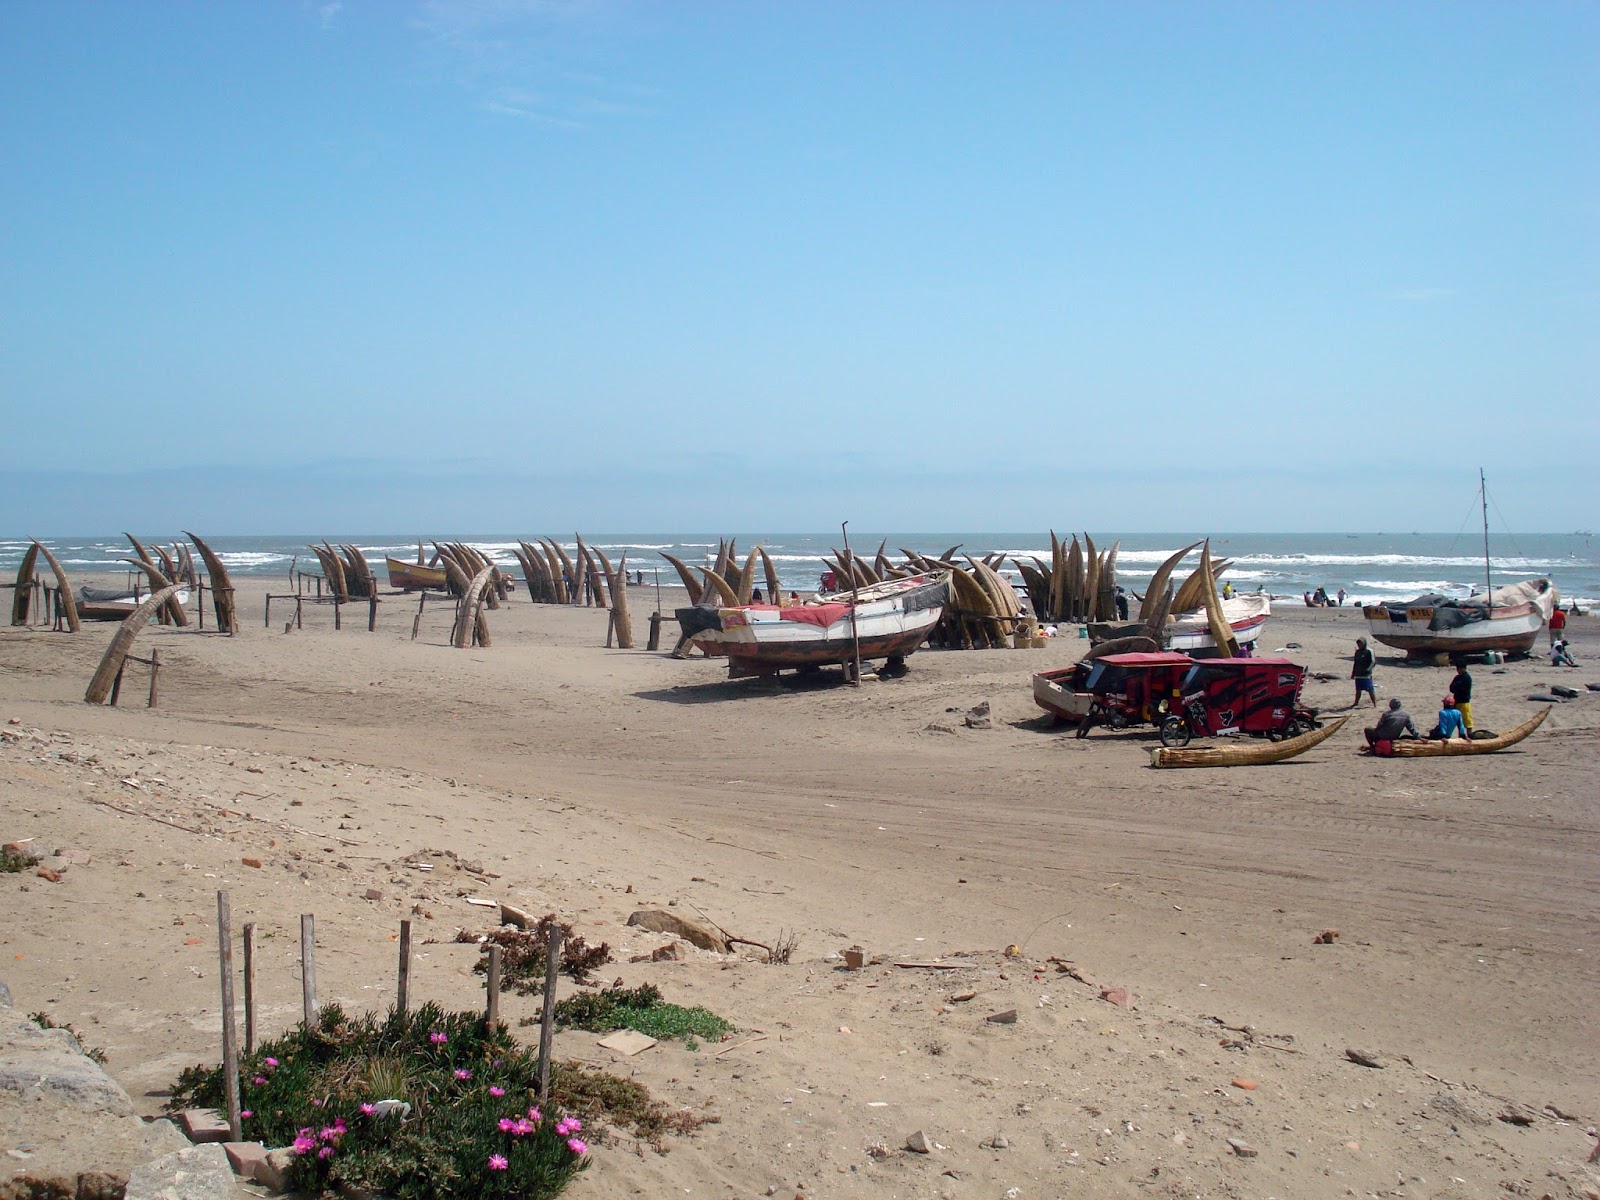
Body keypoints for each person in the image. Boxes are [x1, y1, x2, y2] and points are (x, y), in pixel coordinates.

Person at [1351, 637, 1376, 708]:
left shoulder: (1369, 651)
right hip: (1358, 674)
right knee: (1358, 690)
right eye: (1358, 644)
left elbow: (1373, 662)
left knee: (1370, 689)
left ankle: (1374, 704)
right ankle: (1356, 703)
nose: (1359, 645)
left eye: (1360, 644)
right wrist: (1353, 673)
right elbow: (1355, 663)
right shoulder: (1358, 652)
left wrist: (1368, 670)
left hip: (1366, 675)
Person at [1449, 662, 1474, 730]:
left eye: (1459, 669)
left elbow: (1461, 688)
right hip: (1456, 701)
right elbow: (1451, 688)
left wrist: (1456, 688)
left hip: (1464, 702)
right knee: (1459, 722)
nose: (1458, 670)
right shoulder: (1457, 677)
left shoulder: (1466, 677)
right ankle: (1461, 736)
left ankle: (1469, 735)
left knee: (1467, 721)